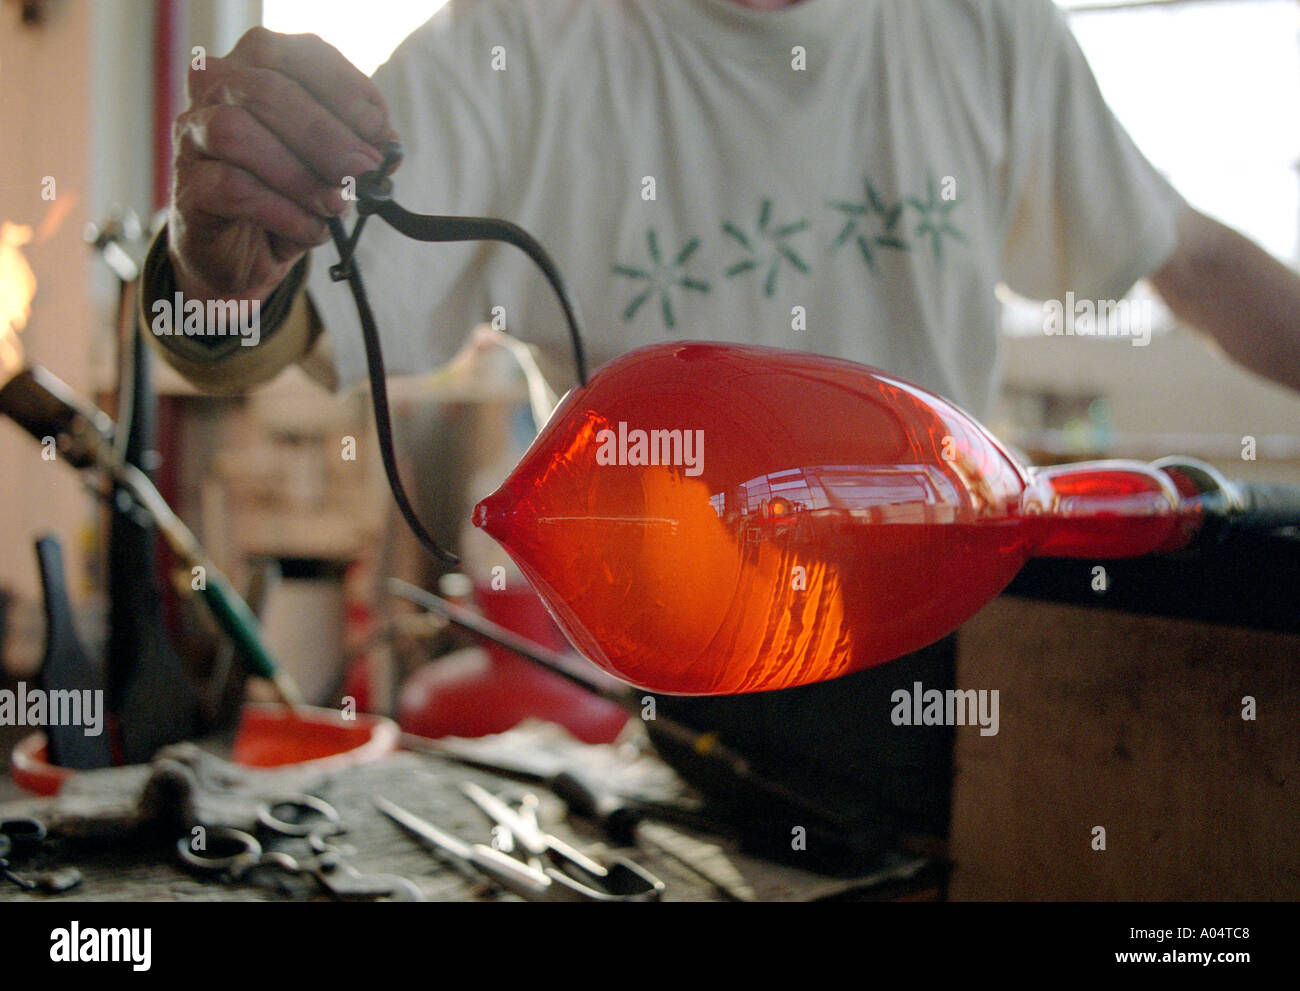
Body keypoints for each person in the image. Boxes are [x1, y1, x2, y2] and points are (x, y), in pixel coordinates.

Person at [140, 0, 1300, 863]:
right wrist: (212, 267)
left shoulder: (975, 23)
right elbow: (239, 336)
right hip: (703, 711)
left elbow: (1189, 255)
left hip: (967, 664)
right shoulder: (519, 45)